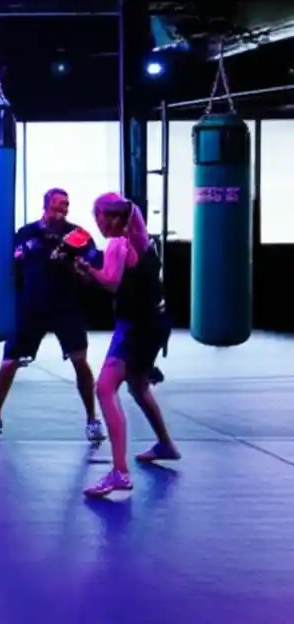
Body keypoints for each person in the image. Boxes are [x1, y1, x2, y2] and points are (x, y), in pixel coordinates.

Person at [0, 189, 106, 443]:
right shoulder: (26, 234)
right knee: (9, 361)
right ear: (46, 206)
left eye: (66, 206)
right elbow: (12, 268)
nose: (62, 211)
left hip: (65, 307)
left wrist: (75, 267)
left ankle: (92, 419)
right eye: (57, 206)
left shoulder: (78, 236)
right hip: (30, 306)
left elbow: (93, 276)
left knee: (80, 362)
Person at [78, 194, 180, 498]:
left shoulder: (118, 244)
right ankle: (165, 444)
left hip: (135, 328)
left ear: (109, 217)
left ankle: (120, 471)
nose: (96, 222)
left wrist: (87, 268)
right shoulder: (143, 240)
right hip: (157, 324)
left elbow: (110, 281)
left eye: (98, 215)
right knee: (137, 385)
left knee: (105, 388)